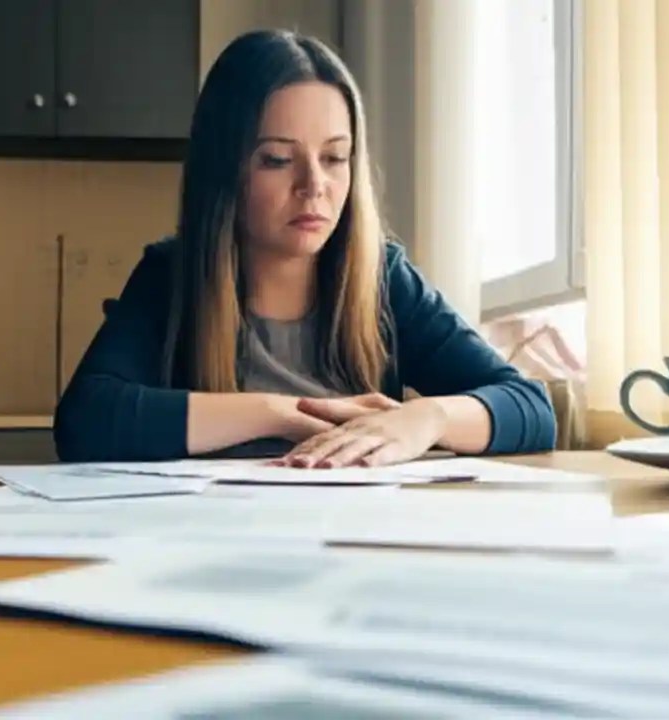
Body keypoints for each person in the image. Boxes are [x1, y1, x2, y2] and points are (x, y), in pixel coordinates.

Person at [54, 30, 556, 467]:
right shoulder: (170, 278)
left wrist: (428, 417)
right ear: (224, 171)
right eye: (276, 159)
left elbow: (531, 408)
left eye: (336, 157)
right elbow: (86, 422)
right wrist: (280, 414)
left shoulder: (384, 279)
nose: (313, 185)